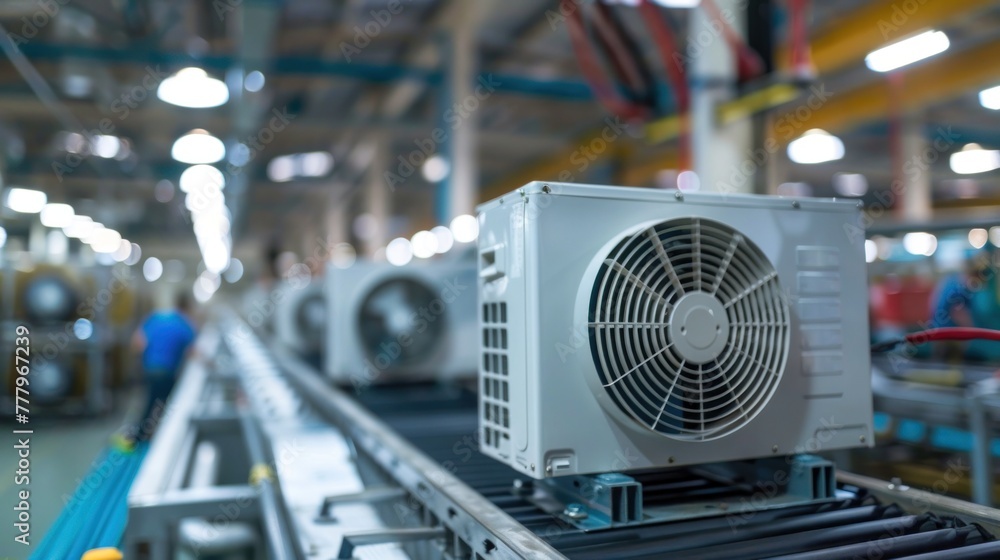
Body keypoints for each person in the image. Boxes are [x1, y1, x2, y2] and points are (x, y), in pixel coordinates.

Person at [124, 293, 197, 444]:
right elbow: (192, 353)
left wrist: (142, 358)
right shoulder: (186, 325)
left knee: (151, 402)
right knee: (159, 405)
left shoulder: (156, 318)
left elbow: (137, 342)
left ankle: (143, 434)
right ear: (188, 307)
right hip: (166, 371)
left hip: (149, 368)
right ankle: (140, 438)